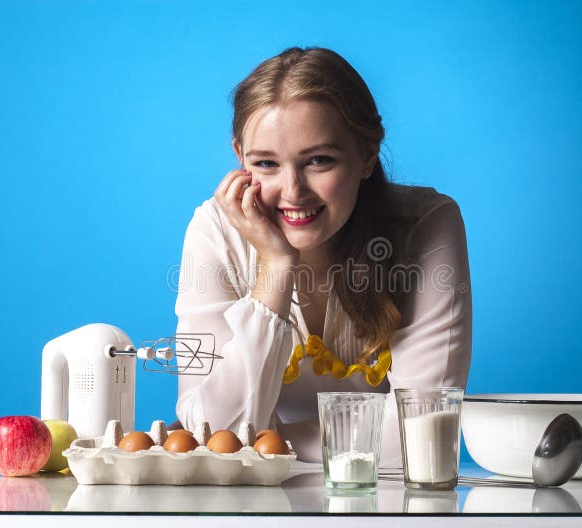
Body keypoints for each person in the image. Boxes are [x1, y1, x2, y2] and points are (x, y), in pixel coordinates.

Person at [174, 47, 471, 466]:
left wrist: (270, 441)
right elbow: (215, 432)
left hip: (376, 495)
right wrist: (276, 269)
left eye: (319, 161)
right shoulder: (216, 231)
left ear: (368, 155)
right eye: (267, 163)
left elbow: (423, 431)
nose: (293, 191)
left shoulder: (425, 226)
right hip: (258, 499)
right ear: (240, 157)